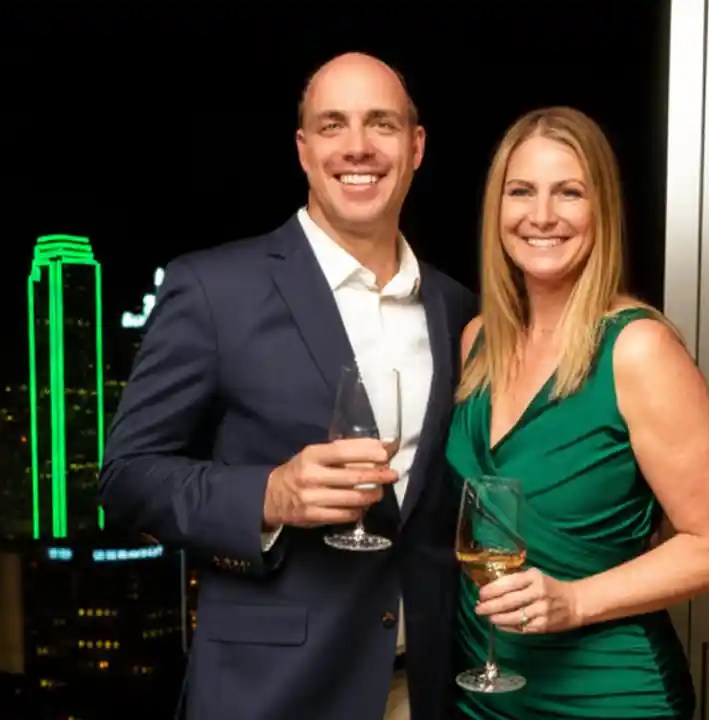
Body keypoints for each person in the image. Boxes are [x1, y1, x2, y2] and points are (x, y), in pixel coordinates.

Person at [99, 52, 476, 720]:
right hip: (271, 693)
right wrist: (268, 495)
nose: (358, 146)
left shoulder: (456, 309)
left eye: (381, 124)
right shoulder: (216, 290)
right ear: (304, 150)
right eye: (333, 126)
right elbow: (126, 479)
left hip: (421, 691)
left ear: (416, 147)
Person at [446, 106, 709, 719]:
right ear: (496, 209)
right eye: (521, 191)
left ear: (601, 211)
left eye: (569, 193)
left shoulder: (637, 349)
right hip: (485, 698)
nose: (541, 216)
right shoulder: (479, 341)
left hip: (608, 696)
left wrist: (575, 601)